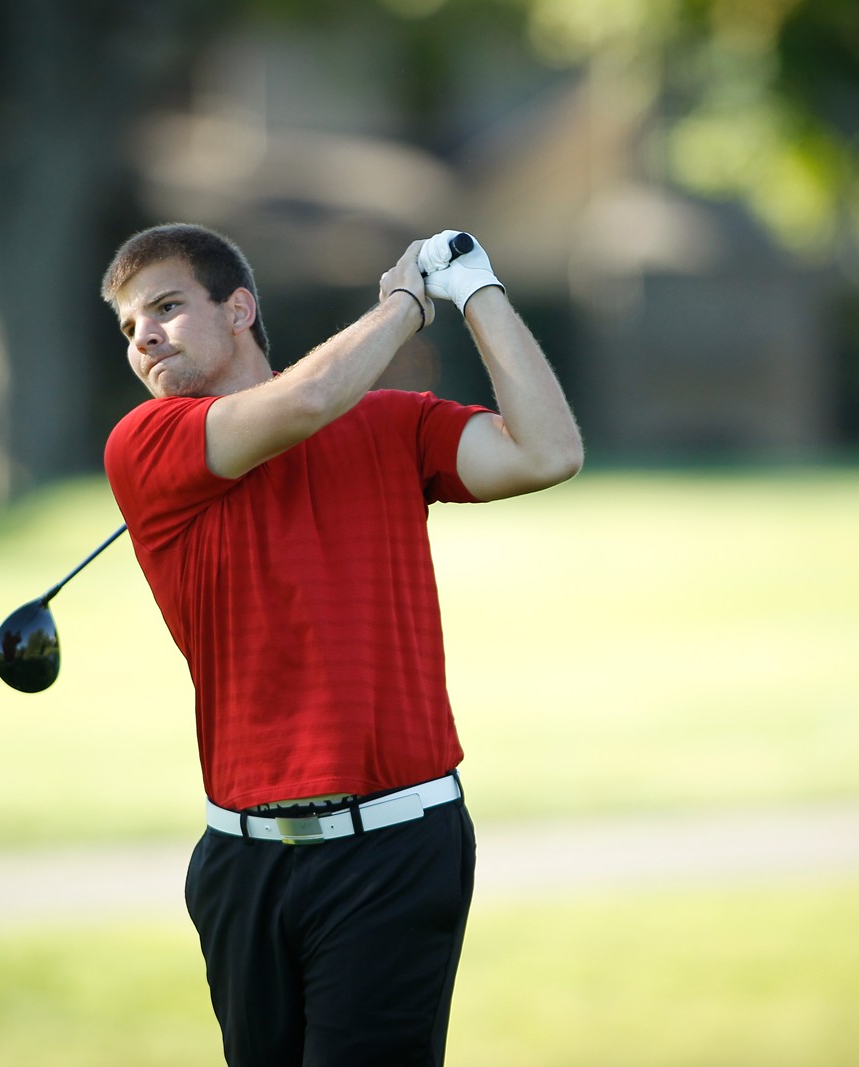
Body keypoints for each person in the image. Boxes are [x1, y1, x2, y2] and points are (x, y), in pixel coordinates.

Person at [100, 222, 583, 1066]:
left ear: (239, 307)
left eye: (167, 307)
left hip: (394, 850)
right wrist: (405, 303)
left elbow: (548, 449)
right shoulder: (145, 445)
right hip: (242, 864)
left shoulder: (396, 426)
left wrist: (475, 291)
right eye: (131, 326)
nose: (145, 336)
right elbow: (305, 402)